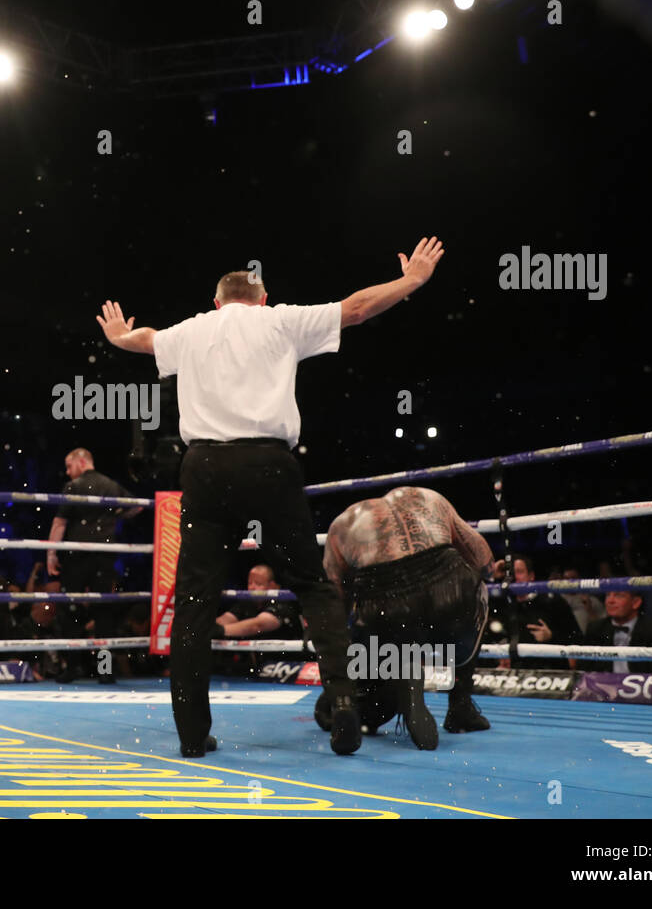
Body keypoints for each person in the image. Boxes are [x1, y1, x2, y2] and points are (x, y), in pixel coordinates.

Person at [97, 236, 446, 757]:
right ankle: (345, 702)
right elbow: (355, 309)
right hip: (269, 463)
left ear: (217, 303)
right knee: (312, 584)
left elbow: (147, 340)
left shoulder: (194, 329)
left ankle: (193, 734)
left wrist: (121, 337)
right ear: (262, 298)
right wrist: (412, 281)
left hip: (206, 467)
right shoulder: (280, 320)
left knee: (193, 604)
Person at [320, 486, 494, 750]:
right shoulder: (429, 497)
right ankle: (460, 706)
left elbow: (333, 606)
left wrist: (347, 671)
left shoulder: (342, 524)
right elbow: (483, 560)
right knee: (479, 589)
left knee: (372, 704)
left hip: (384, 605)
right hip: (448, 588)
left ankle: (394, 684)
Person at [46, 447, 139, 681]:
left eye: (69, 466)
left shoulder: (74, 486)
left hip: (77, 554)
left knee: (72, 610)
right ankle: (105, 670)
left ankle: (73, 667)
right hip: (105, 553)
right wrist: (113, 517)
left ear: (81, 461)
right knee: (103, 610)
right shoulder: (110, 485)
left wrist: (50, 553)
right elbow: (136, 506)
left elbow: (59, 523)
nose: (68, 472)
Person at [581, 588, 652, 673]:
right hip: (602, 689)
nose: (610, 600)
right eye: (608, 595)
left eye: (618, 595)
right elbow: (584, 668)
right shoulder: (595, 628)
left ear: (636, 602)